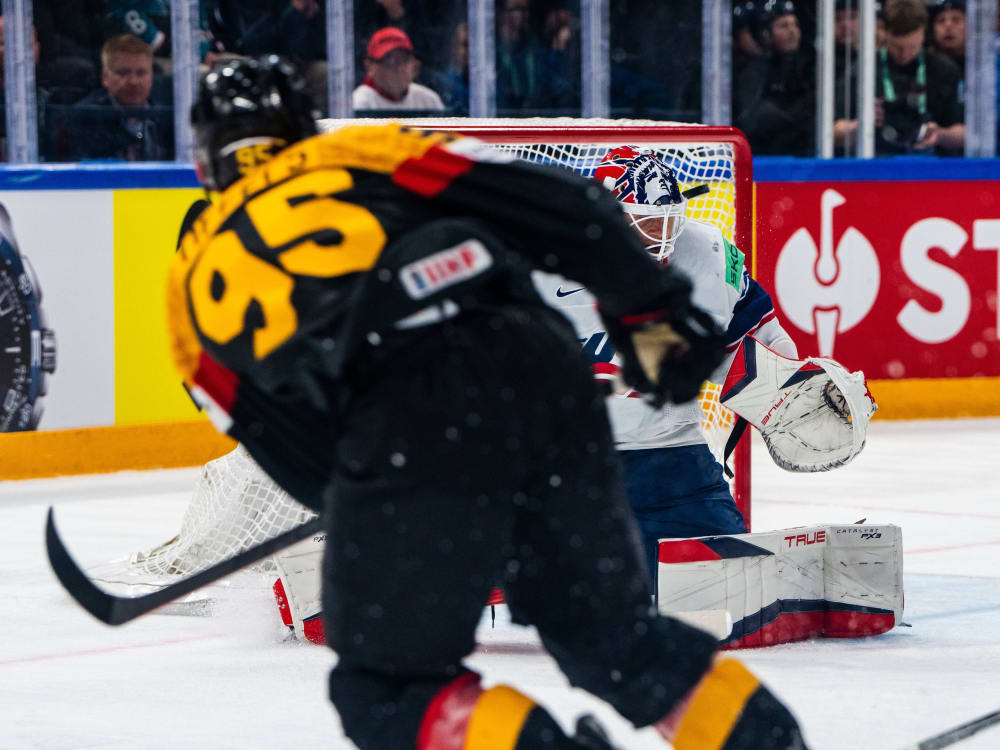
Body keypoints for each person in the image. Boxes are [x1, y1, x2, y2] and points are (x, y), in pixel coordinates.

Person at [170, 55, 809, 750]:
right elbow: (568, 205)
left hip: (407, 440)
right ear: (300, 128)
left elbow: (283, 443)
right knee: (615, 638)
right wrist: (648, 314)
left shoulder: (188, 285)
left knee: (388, 689)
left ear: (205, 163)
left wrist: (374, 501)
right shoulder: (364, 149)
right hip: (541, 382)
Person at [536, 146, 797, 594]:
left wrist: (789, 385)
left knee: (733, 588)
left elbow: (760, 337)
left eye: (668, 220)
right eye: (646, 222)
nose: (661, 235)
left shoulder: (707, 254)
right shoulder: (539, 264)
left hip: (674, 464)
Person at [69, 34, 173, 161]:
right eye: (123, 73)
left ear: (151, 77)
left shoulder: (165, 118)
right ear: (105, 77)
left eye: (141, 73)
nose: (133, 81)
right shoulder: (86, 117)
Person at [734, 0, 816, 156]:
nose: (793, 31)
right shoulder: (754, 72)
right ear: (766, 34)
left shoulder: (810, 67)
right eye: (784, 26)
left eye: (795, 25)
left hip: (802, 156)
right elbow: (752, 121)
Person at [352, 26, 445, 111]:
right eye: (388, 61)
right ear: (369, 67)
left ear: (415, 66)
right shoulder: (359, 103)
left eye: (404, 59)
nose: (398, 68)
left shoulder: (429, 100)